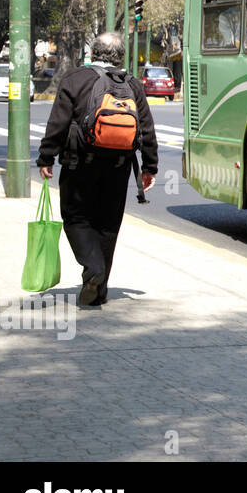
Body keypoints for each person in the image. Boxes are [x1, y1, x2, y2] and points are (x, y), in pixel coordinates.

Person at [36, 32, 158, 307]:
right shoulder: (133, 85)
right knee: (107, 225)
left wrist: (46, 158)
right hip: (118, 167)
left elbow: (58, 123)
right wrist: (150, 166)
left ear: (93, 53)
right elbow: (147, 129)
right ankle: (98, 291)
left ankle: (93, 268)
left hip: (80, 165)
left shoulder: (76, 79)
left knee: (76, 218)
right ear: (120, 57)